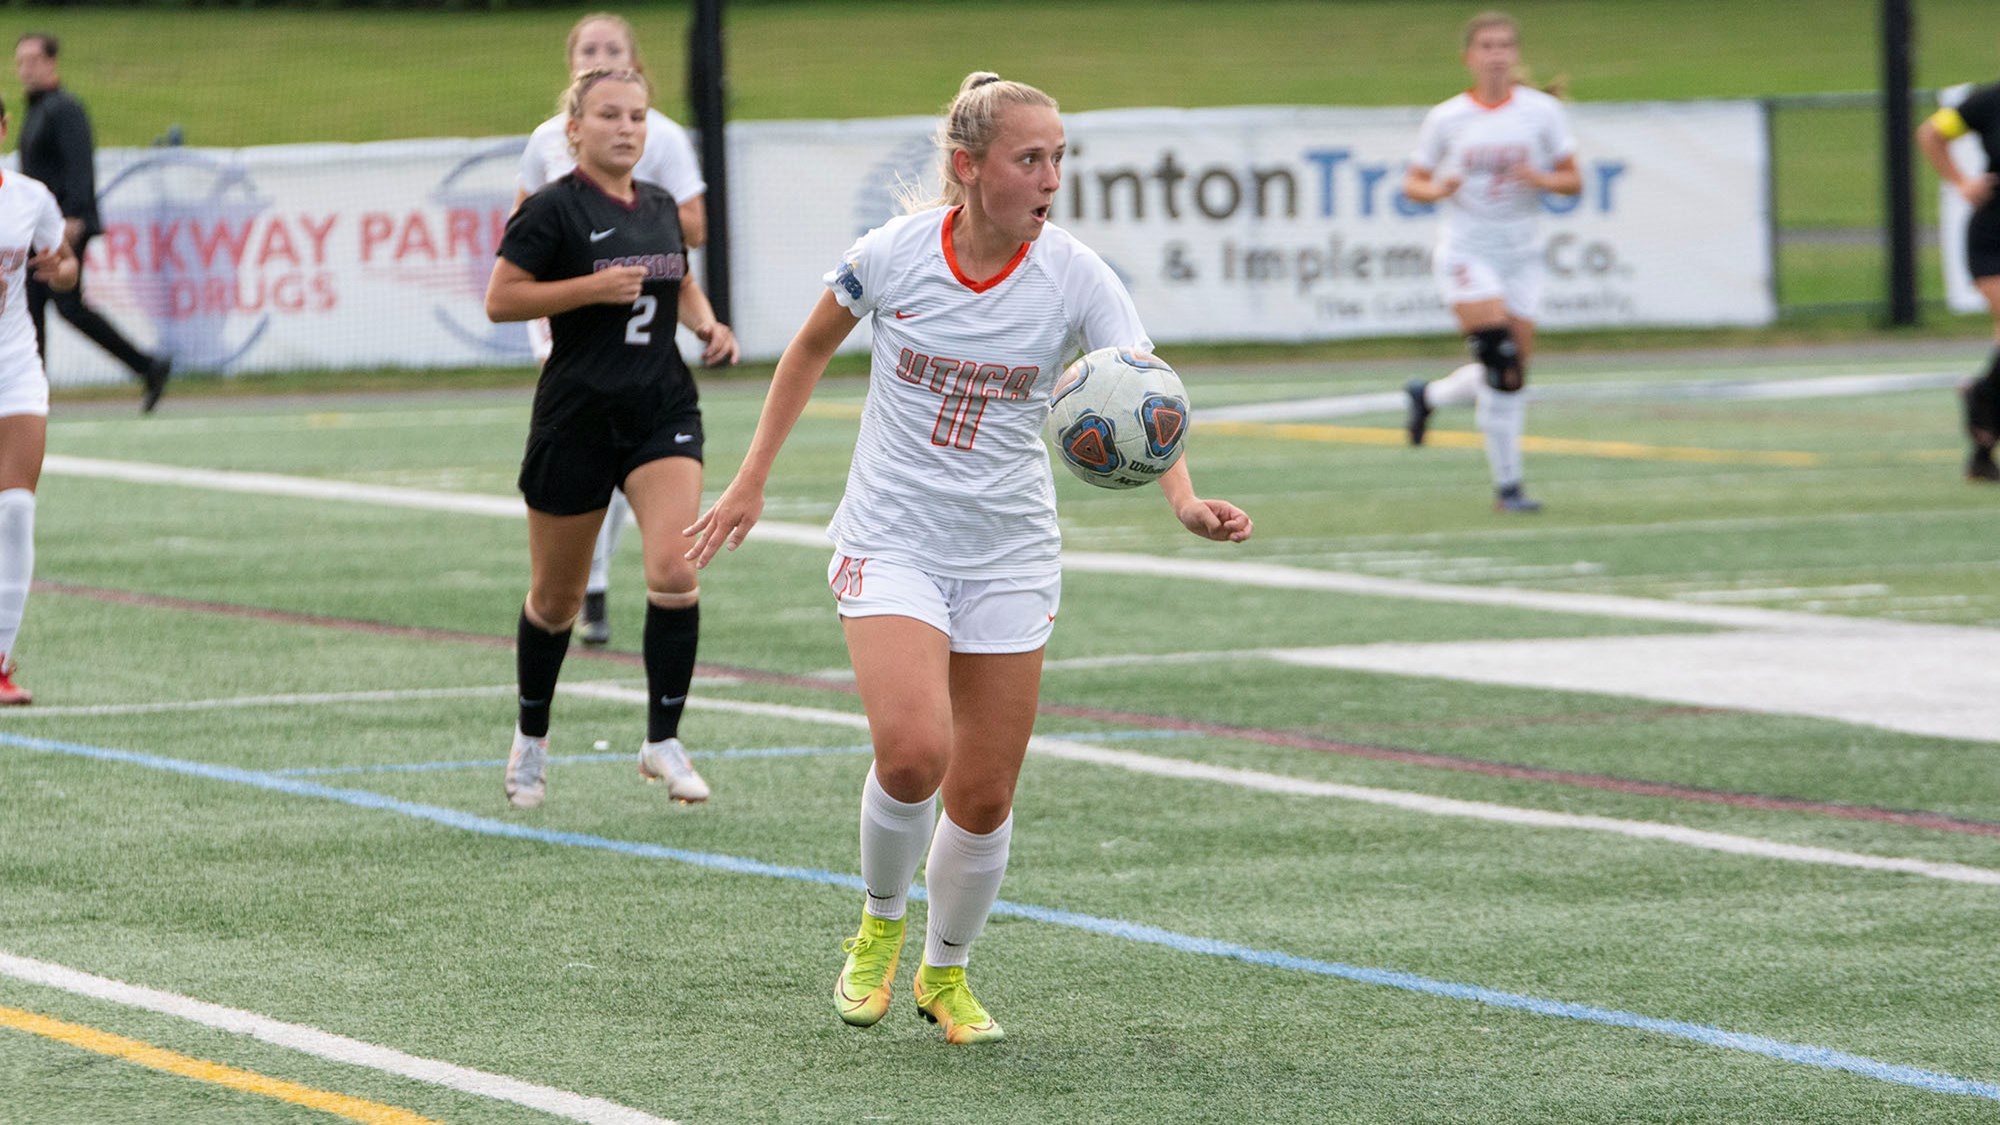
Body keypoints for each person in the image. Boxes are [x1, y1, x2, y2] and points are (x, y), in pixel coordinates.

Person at [685, 72, 1252, 1044]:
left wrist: (1184, 499)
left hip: (1008, 552)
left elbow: (1142, 396)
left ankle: (944, 972)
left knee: (983, 796)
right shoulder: (892, 255)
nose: (1051, 178)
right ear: (969, 167)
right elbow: (808, 351)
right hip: (892, 537)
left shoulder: (1076, 274)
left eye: (1059, 158)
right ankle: (878, 925)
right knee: (913, 754)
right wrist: (749, 481)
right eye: (1030, 159)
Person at [484, 66, 738, 809]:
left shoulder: (659, 204)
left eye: (637, 116)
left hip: (661, 410)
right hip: (576, 418)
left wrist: (706, 323)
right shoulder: (551, 210)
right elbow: (502, 299)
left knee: (676, 571)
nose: (626, 128)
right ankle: (532, 735)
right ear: (575, 129)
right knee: (556, 600)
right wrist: (588, 289)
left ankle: (663, 740)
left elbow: (677, 279)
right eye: (609, 115)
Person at [517, 12, 709, 645]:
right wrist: (586, 272)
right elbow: (517, 251)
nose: (600, 57)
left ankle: (601, 590)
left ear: (636, 62)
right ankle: (584, 585)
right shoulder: (548, 147)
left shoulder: (663, 142)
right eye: (589, 49)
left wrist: (703, 317)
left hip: (647, 338)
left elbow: (689, 232)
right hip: (573, 339)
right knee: (588, 446)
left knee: (647, 473)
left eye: (613, 48)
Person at [1398, 11, 1580, 512]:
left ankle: (1429, 397)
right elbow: (1413, 184)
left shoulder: (1541, 112)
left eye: (1504, 45)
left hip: (1521, 255)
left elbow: (1572, 180)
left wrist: (1541, 178)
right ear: (1469, 57)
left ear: (1515, 54)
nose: (1496, 55)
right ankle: (1509, 488)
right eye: (1487, 46)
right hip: (1467, 251)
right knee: (1500, 359)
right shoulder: (1448, 117)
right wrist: (1439, 188)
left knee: (1512, 372)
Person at [13, 33, 169, 413]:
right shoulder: (37, 110)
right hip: (36, 229)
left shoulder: (64, 108)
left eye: (33, 60)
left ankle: (148, 366)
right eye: (20, 62)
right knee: (32, 311)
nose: (25, 69)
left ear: (52, 63)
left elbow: (80, 165)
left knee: (67, 306)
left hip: (60, 228)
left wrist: (74, 218)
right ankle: (29, 397)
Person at [0, 93, 82, 705]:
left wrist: (62, 270)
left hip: (15, 367)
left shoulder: (30, 198)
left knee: (15, 511)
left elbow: (66, 262)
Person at [1917, 79, 2000, 482]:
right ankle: (1983, 401)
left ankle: (1982, 443)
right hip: (1994, 236)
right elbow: (1931, 133)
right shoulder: (1989, 101)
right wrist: (1962, 182)